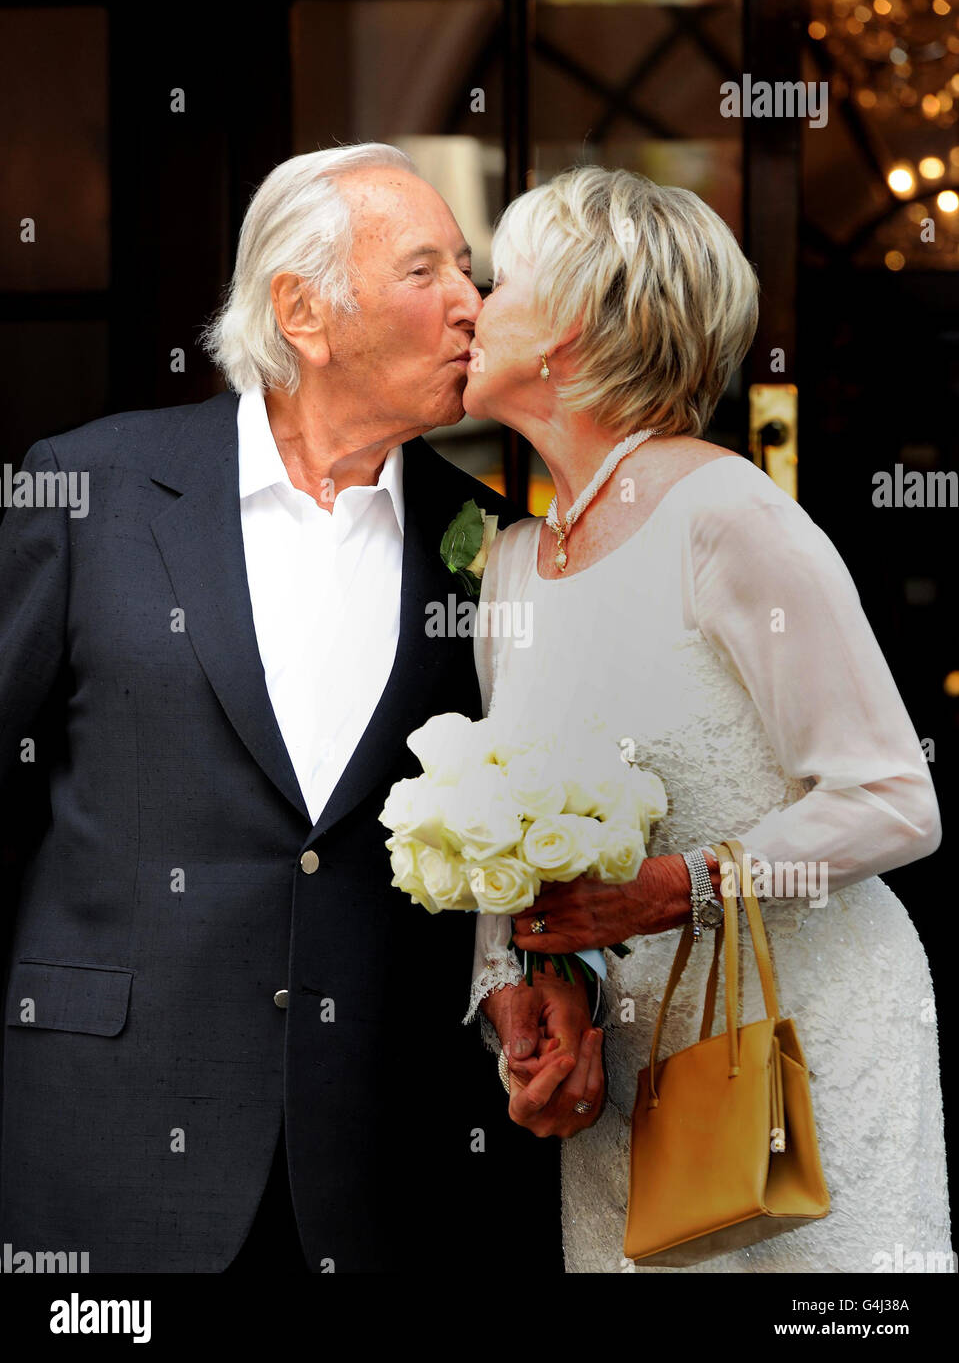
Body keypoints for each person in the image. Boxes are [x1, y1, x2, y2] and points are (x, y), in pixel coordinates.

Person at [0, 143, 590, 1272]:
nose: (475, 304)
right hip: (107, 1138)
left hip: (383, 1159)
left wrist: (549, 976)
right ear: (304, 311)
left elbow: (523, 818)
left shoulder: (486, 547)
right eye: (430, 272)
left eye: (468, 271)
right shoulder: (88, 493)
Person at [464, 165, 951, 1273]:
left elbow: (894, 798)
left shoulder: (727, 517)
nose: (469, 308)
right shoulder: (506, 568)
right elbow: (527, 841)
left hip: (802, 1045)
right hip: (635, 1071)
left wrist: (680, 887)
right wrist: (539, 997)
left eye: (498, 282)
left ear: (574, 325)